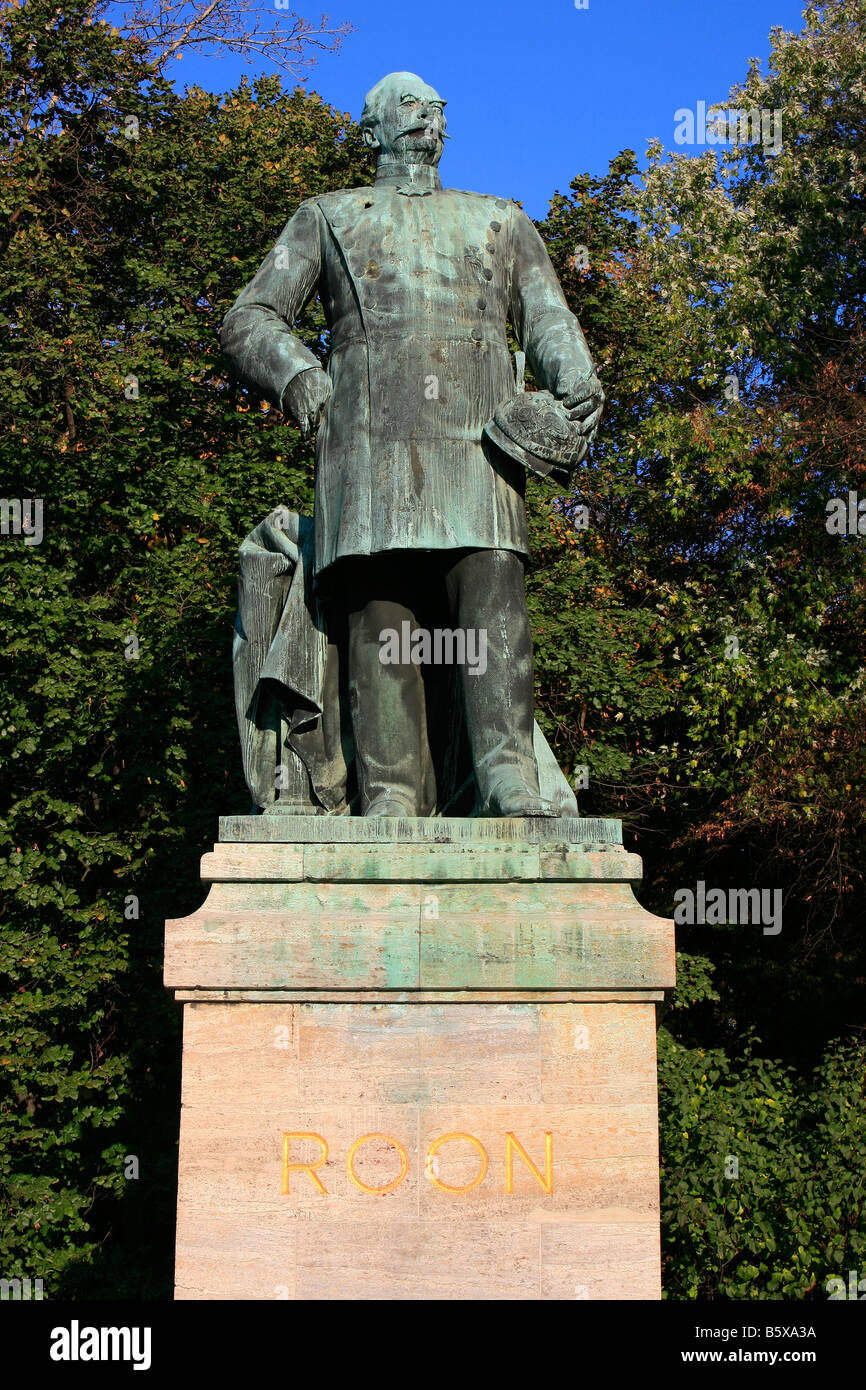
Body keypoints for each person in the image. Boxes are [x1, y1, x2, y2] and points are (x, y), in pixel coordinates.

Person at [219, 73, 603, 817]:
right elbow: (251, 317)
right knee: (380, 611)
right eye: (407, 104)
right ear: (370, 131)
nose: (428, 113)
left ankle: (507, 778)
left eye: (436, 105)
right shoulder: (326, 217)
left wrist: (577, 378)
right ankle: (391, 793)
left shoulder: (500, 219)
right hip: (367, 442)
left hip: (481, 442)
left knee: (493, 597)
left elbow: (548, 318)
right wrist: (297, 373)